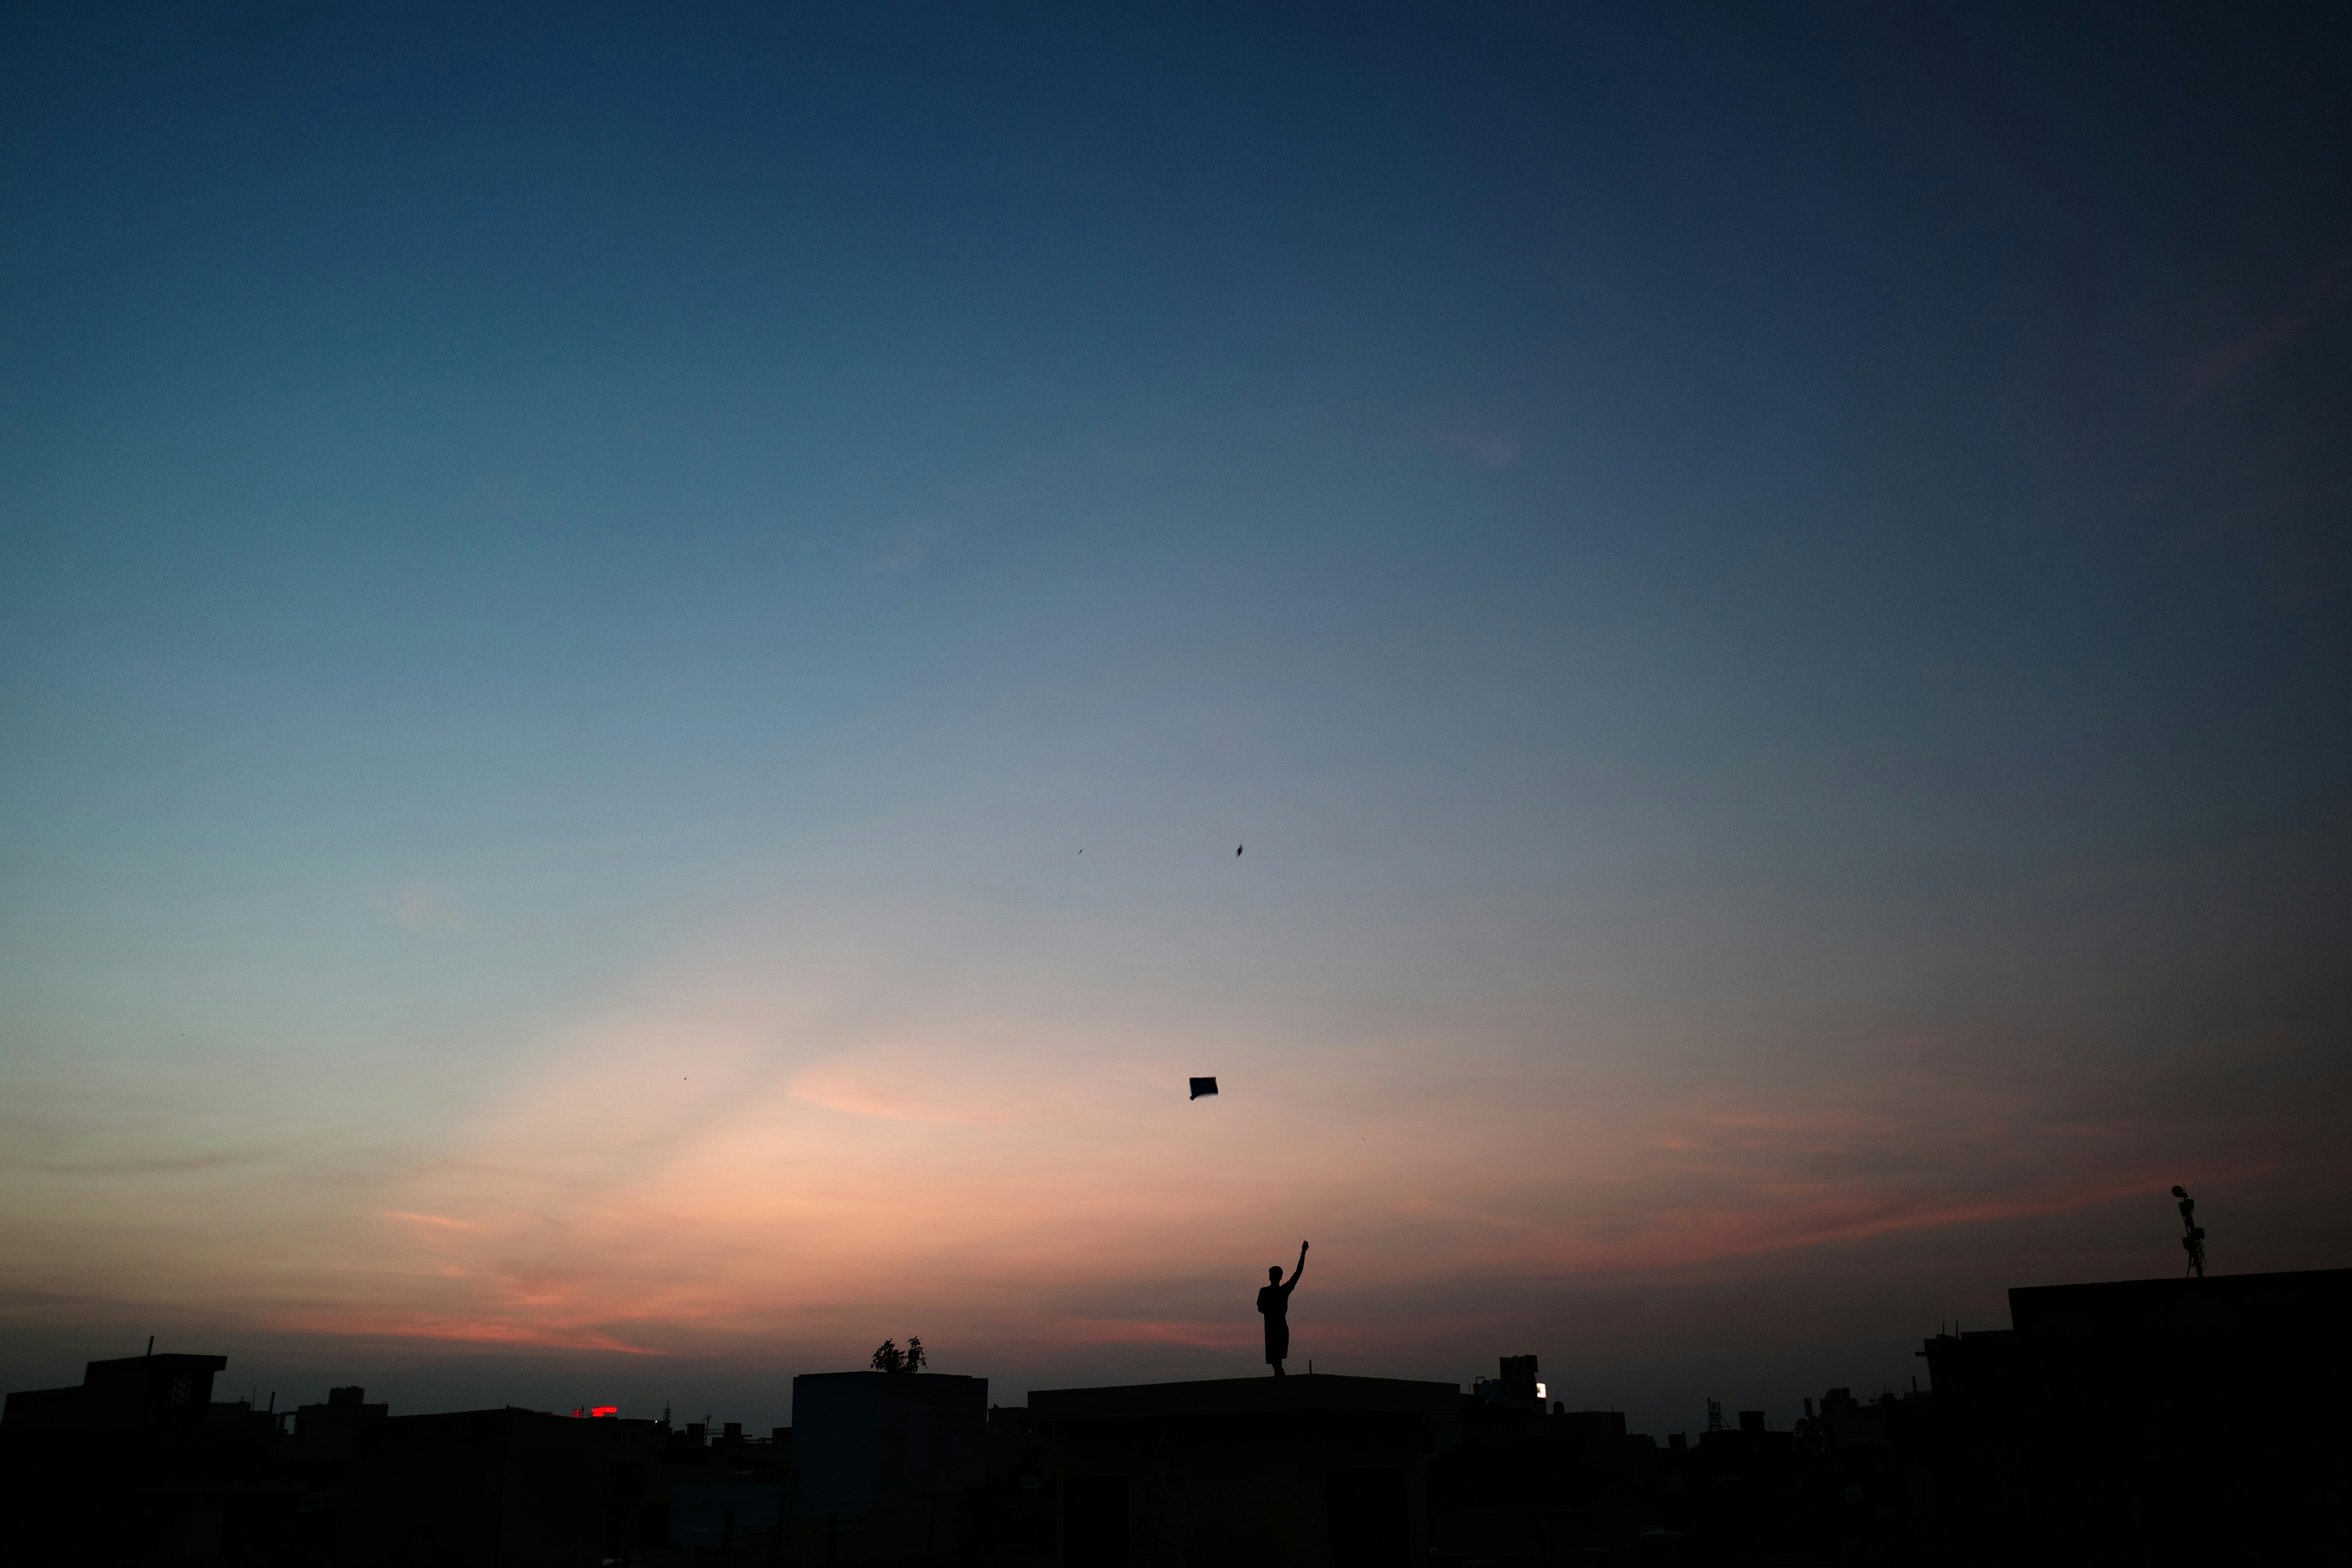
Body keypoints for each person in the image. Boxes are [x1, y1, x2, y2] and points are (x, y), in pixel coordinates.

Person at [1257, 1241, 1308, 1376]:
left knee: (1277, 1362)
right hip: (1271, 1329)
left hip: (1278, 1328)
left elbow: (1298, 1273)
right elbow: (1260, 1308)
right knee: (1276, 1363)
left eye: (1274, 1275)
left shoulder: (1283, 1291)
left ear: (1279, 1277)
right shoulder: (1265, 1291)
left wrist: (1303, 1254)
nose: (1272, 1277)